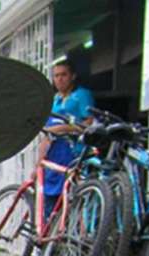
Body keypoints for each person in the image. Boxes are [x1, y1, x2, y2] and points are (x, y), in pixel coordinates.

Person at [38, 60, 95, 219]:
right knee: (50, 205)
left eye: (63, 75)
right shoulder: (53, 100)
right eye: (56, 76)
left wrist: (64, 128)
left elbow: (89, 122)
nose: (60, 79)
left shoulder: (81, 95)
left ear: (72, 76)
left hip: (74, 153)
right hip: (53, 155)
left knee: (72, 201)